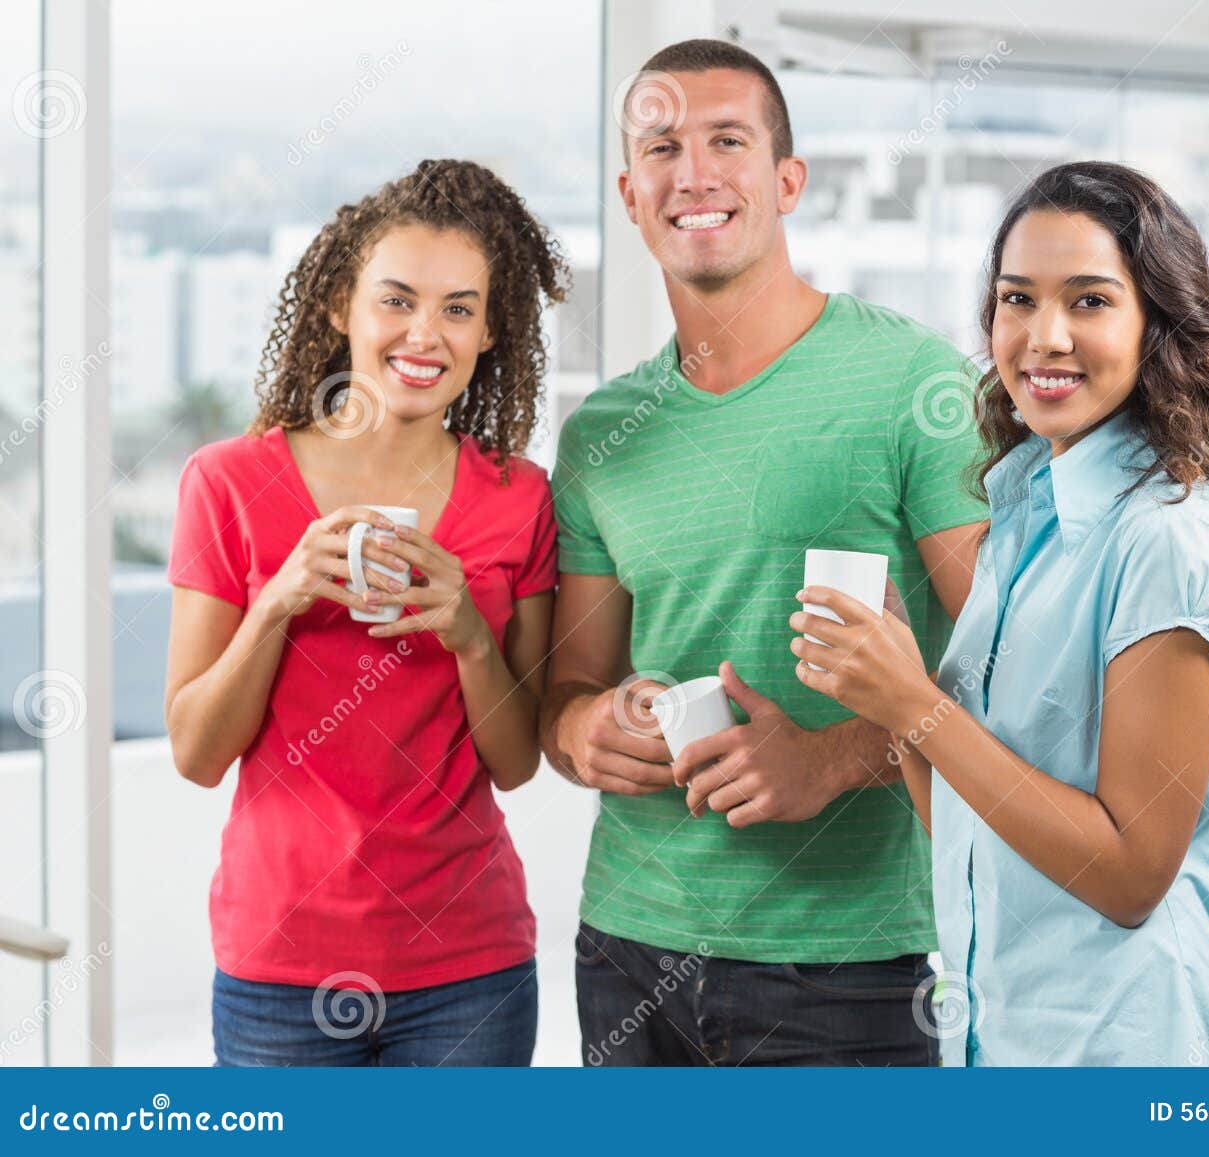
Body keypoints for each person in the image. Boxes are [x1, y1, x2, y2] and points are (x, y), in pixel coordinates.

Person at [541, 38, 988, 1066]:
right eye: (662, 148)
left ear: (787, 180)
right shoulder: (603, 433)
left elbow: (1013, 679)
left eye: (726, 141)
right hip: (626, 948)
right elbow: (565, 687)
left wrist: (830, 758)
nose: (692, 173)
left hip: (847, 963)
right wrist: (584, 726)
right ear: (629, 192)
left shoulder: (914, 385)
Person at [790, 161, 1209, 1066]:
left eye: (1089, 301)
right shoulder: (1025, 509)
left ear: (1157, 326)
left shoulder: (1165, 541)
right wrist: (896, 698)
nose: (1043, 335)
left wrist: (918, 707)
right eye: (1017, 299)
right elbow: (976, 838)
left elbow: (1132, 872)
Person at [164, 159, 567, 1066]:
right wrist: (278, 601)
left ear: (491, 331)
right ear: (342, 304)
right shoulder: (227, 483)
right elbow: (195, 751)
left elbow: (518, 762)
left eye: (459, 308)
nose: (426, 334)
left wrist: (468, 633)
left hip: (471, 966)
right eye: (399, 299)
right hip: (280, 967)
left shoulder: (520, 499)